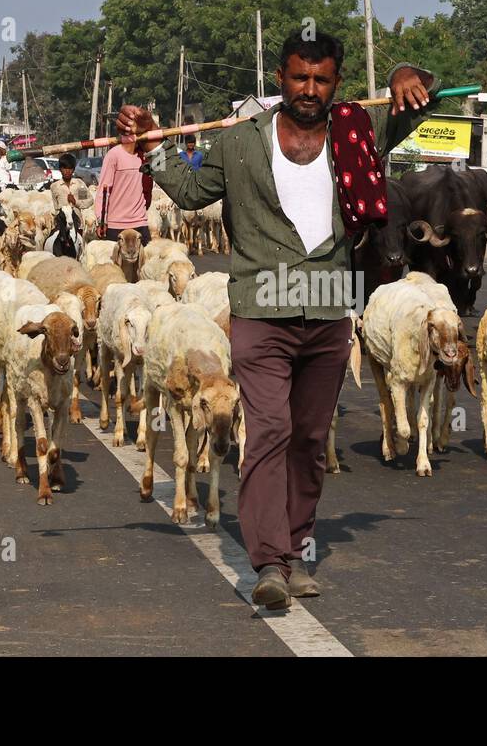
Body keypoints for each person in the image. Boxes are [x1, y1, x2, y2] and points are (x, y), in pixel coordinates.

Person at [118, 30, 437, 610]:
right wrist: (150, 145)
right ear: (280, 80)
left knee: (311, 439)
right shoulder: (241, 141)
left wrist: (406, 73)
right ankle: (268, 562)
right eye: (298, 78)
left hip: (328, 307)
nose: (309, 90)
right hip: (261, 311)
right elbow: (189, 192)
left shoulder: (356, 133)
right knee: (269, 431)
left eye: (320, 80)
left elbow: (422, 98)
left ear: (337, 84)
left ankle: (295, 549)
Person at [93, 133, 153, 243]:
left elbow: (162, 167)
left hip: (140, 222)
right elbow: (104, 190)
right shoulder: (113, 155)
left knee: (147, 259)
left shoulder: (146, 157)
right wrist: (101, 221)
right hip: (116, 224)